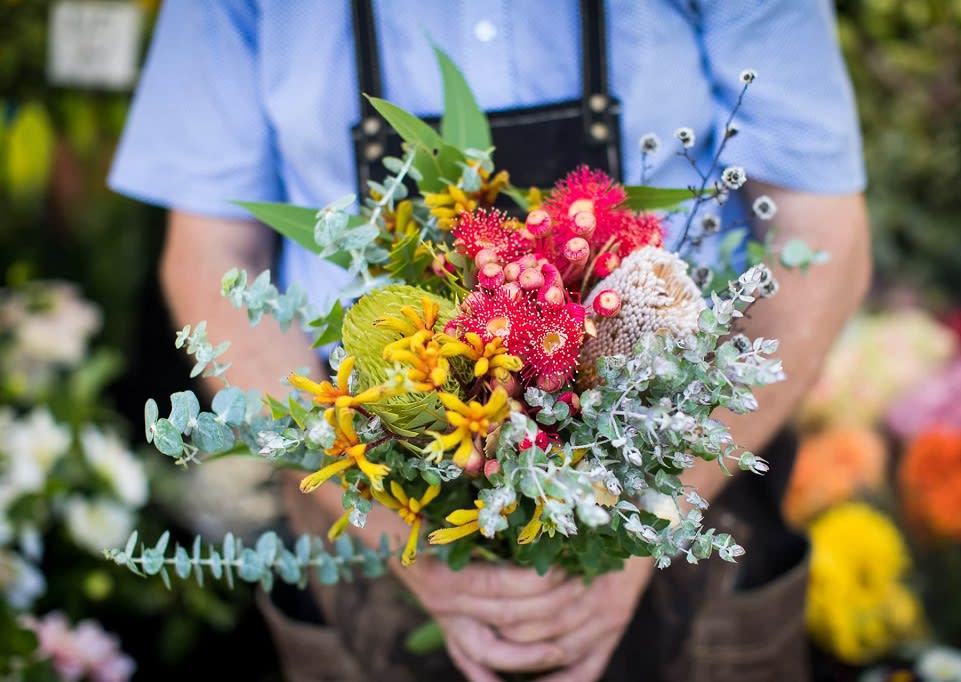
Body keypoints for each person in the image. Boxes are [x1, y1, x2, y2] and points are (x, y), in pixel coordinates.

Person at [108, 2, 871, 680]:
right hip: (369, 526)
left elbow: (823, 236)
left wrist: (653, 509)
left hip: (689, 520)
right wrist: (386, 519)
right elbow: (211, 255)